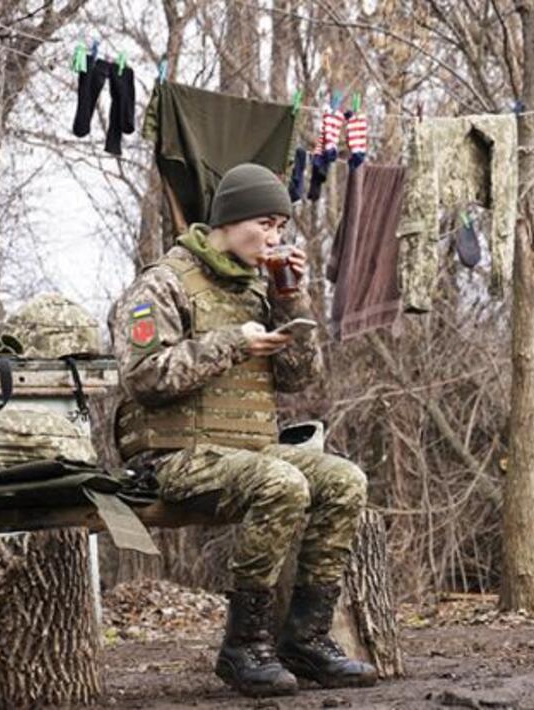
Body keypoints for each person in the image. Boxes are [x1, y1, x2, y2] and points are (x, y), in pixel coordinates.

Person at [109, 163, 378, 697]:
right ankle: (244, 646)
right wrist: (233, 343)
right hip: (175, 459)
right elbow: (143, 377)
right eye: (266, 223)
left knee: (345, 480)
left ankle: (305, 638)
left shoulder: (258, 288)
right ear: (229, 221)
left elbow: (300, 379)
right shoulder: (161, 284)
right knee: (282, 483)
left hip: (250, 451)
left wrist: (289, 298)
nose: (275, 237)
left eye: (281, 226)